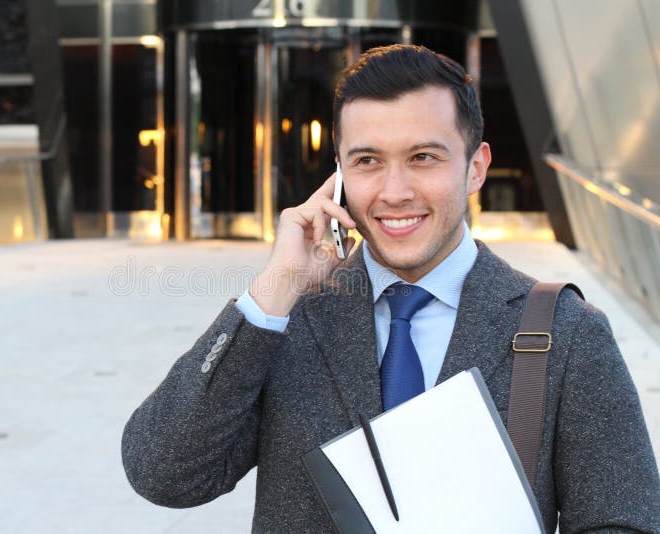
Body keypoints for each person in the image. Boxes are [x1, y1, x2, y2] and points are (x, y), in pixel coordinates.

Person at [122, 44, 660, 532]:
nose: (394, 192)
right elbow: (164, 474)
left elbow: (624, 521)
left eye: (423, 157)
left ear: (475, 168)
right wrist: (275, 289)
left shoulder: (567, 333)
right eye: (368, 161)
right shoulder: (291, 322)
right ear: (337, 177)